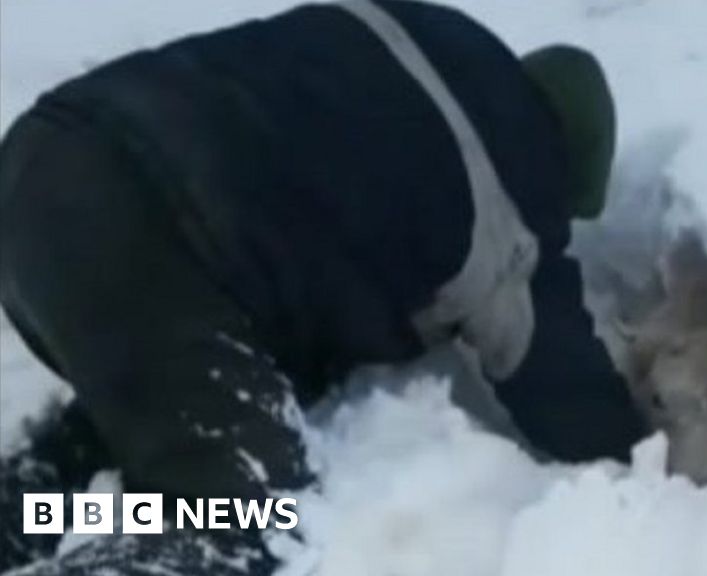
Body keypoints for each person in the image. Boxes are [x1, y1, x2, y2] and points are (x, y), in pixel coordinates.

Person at [0, 1, 646, 573]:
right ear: (563, 162)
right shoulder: (511, 177)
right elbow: (560, 385)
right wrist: (644, 463)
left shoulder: (412, 33)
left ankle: (26, 516)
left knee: (156, 437)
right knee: (255, 520)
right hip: (144, 228)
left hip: (39, 171)